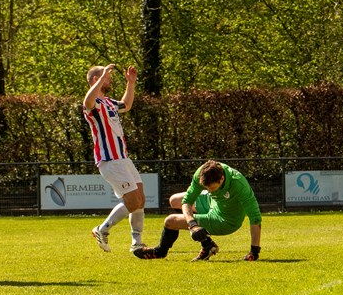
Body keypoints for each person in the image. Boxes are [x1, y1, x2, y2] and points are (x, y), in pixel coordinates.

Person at [133, 159, 262, 262]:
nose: (209, 191)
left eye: (212, 188)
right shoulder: (201, 172)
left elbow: (255, 216)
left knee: (170, 221)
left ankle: (160, 251)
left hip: (226, 220)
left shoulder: (238, 183)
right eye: (206, 188)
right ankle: (207, 244)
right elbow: (187, 201)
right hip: (213, 203)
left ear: (222, 179)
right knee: (174, 200)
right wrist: (192, 224)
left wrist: (254, 251)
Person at [83, 63, 145, 253]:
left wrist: (131, 83)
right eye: (106, 77)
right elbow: (87, 102)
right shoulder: (93, 104)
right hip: (109, 159)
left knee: (140, 199)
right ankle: (102, 229)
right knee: (132, 201)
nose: (109, 80)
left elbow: (126, 105)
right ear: (96, 80)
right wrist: (101, 77)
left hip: (123, 158)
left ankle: (137, 242)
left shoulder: (109, 102)